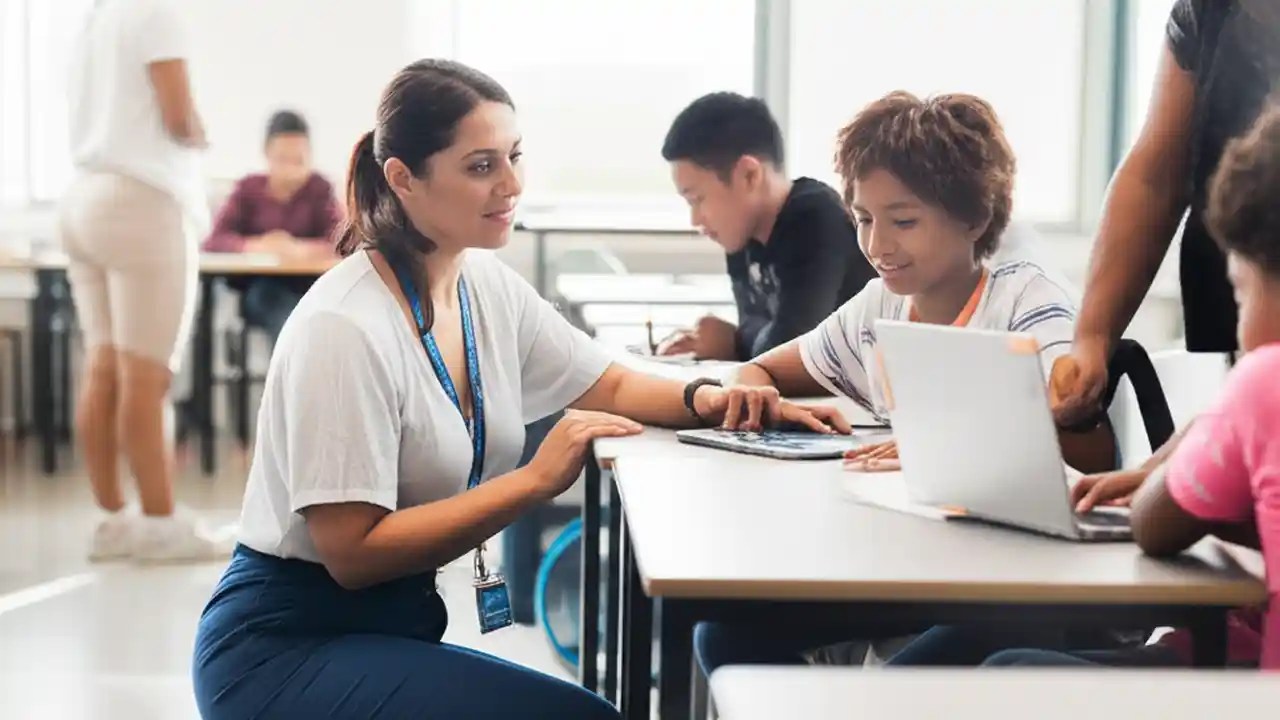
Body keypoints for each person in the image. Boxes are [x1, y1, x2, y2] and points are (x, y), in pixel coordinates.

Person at [191, 59, 844, 719]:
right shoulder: (345, 325)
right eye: (481, 166)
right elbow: (353, 555)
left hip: (385, 626)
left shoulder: (482, 286)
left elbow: (608, 380)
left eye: (514, 157)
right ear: (403, 179)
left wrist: (710, 398)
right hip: (284, 647)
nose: (511, 185)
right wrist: (534, 481)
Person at [691, 91, 1117, 676]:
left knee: (894, 687)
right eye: (864, 219)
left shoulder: (1027, 301)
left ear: (976, 218)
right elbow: (767, 366)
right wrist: (745, 383)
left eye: (904, 220)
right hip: (917, 564)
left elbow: (1089, 451)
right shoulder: (878, 308)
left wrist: (945, 446)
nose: (877, 245)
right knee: (724, 636)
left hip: (1023, 580)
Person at [930, 102, 1280, 670]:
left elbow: (1152, 522)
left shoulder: (1264, 385)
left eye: (1242, 292)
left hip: (1247, 685)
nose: (1240, 324)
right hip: (1232, 653)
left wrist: (1204, 436)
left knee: (1008, 673)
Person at [1051, 0, 1280, 487]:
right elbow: (1155, 175)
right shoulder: (1209, 12)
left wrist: (1167, 479)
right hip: (1237, 348)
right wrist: (1093, 337)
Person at [62, 0, 225, 562]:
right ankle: (160, 525)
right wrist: (204, 133)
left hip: (84, 197)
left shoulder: (95, 17)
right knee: (146, 377)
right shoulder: (156, 12)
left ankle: (112, 521)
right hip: (143, 203)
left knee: (103, 364)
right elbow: (180, 118)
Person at [656, 92, 875, 361]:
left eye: (697, 199)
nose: (696, 220)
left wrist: (733, 341)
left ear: (749, 175)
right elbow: (753, 331)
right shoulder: (741, 233)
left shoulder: (814, 217)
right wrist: (730, 340)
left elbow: (788, 352)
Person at [204, 110, 343, 344]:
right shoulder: (248, 189)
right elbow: (214, 241)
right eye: (282, 159)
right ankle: (290, 371)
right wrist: (256, 246)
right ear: (267, 154)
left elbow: (343, 241)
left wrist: (298, 249)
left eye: (299, 160)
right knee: (277, 308)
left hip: (310, 287)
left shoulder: (320, 189)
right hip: (261, 289)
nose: (291, 168)